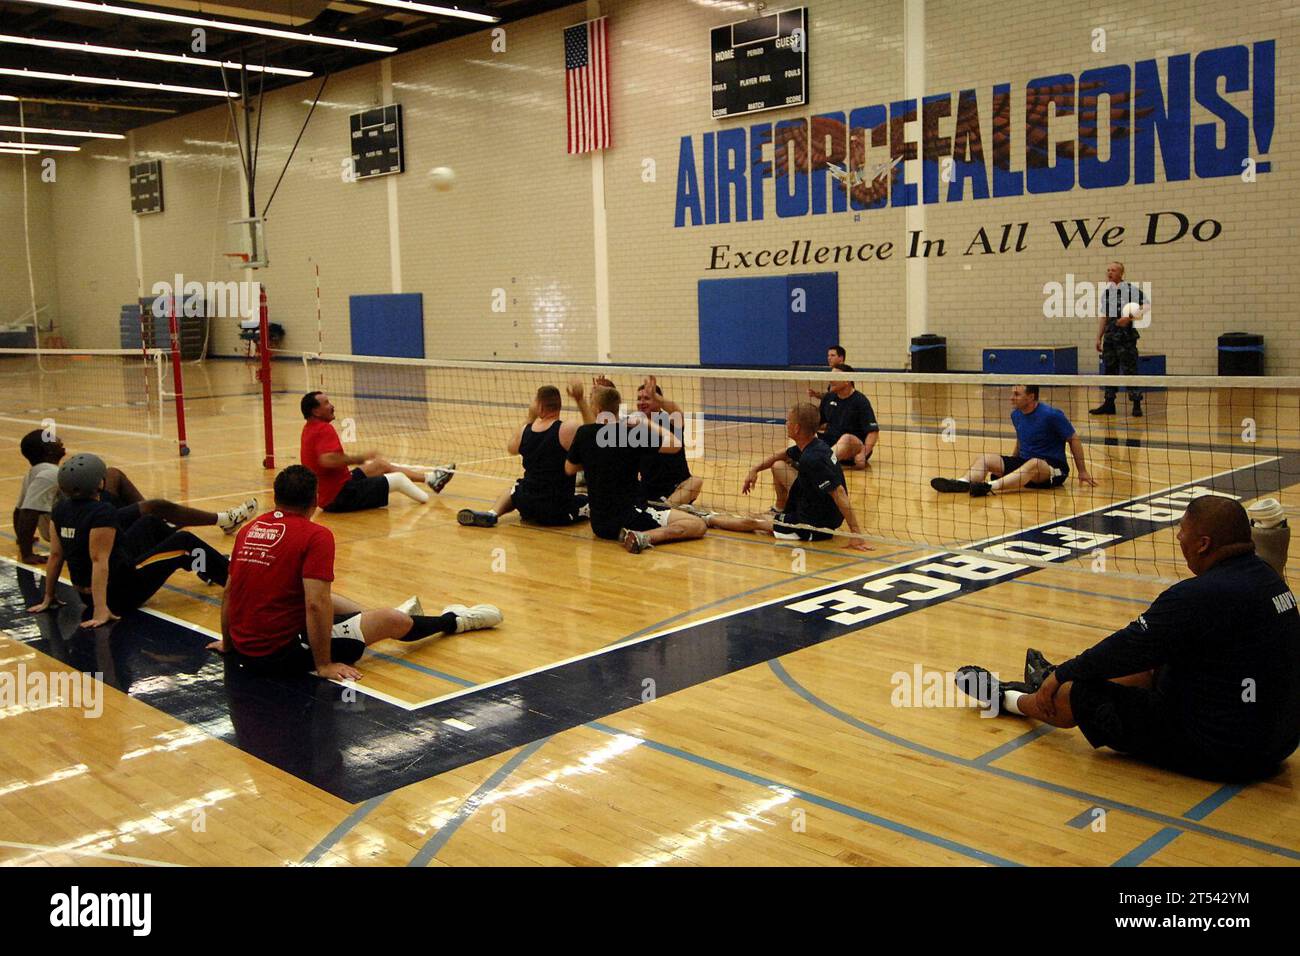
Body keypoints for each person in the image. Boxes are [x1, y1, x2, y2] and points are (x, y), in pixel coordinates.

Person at [955, 496, 1300, 781]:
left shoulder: (1197, 596)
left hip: (1227, 752)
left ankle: (1011, 699)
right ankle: (1048, 680)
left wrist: (1064, 675)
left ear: (1204, 543)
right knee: (1159, 661)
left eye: (1181, 533)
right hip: (1277, 742)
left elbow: (1126, 648)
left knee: (1086, 693)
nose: (1179, 539)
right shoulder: (1270, 581)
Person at [209, 465, 502, 681]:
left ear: (276, 499)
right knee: (392, 619)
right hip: (283, 654)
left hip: (246, 646)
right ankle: (456, 620)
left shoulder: (251, 528)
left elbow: (231, 592)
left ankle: (366, 621)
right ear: (315, 499)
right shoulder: (316, 535)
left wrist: (230, 643)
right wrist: (323, 664)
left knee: (326, 597)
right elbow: (315, 605)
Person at [26, 453, 231, 627]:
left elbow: (55, 555)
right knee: (185, 542)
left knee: (149, 523)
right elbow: (99, 562)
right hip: (118, 594)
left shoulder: (60, 509)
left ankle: (208, 568)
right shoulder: (102, 512)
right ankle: (234, 581)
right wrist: (101, 609)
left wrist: (48, 596)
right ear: (99, 483)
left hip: (89, 592)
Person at [13, 429, 256, 564]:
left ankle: (162, 522)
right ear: (47, 450)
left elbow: (18, 509)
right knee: (153, 506)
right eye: (53, 439)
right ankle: (224, 518)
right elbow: (27, 513)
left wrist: (23, 540)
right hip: (84, 528)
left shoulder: (36, 472)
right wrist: (26, 553)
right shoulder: (49, 475)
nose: (59, 439)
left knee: (113, 475)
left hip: (78, 521)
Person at [704, 402, 871, 551]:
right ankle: (779, 510)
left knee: (753, 522)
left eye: (788, 421)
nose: (786, 423)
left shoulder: (812, 459)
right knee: (778, 469)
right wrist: (755, 469)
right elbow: (782, 455)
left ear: (797, 428)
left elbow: (839, 493)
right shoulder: (813, 444)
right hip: (815, 507)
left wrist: (856, 534)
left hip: (811, 525)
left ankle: (708, 520)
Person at [564, 385, 708, 554]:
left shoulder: (584, 433)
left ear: (597, 409)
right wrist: (646, 424)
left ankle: (640, 530)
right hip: (630, 515)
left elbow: (569, 469)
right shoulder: (633, 434)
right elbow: (675, 443)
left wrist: (594, 460)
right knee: (697, 525)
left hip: (600, 525)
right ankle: (644, 537)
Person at [457, 382, 591, 527]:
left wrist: (530, 417)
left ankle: (492, 513)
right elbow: (594, 433)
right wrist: (580, 400)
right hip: (555, 510)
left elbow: (511, 448)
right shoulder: (567, 428)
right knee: (589, 500)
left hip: (526, 504)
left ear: (539, 407)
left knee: (514, 490)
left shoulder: (524, 431)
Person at [930, 384, 1097, 497]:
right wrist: (1010, 463)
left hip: (1051, 468)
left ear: (1031, 397)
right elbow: (1021, 439)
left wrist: (1082, 471)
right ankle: (963, 483)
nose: (1011, 398)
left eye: (1017, 394)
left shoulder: (1052, 415)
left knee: (1034, 463)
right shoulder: (1016, 414)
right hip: (1024, 462)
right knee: (985, 459)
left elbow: (1073, 439)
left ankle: (989, 487)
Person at [300, 391, 453, 513]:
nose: (332, 406)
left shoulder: (309, 428)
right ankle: (428, 506)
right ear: (316, 411)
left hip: (334, 492)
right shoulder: (323, 429)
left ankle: (431, 479)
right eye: (326, 403)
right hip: (340, 497)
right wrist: (360, 458)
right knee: (399, 480)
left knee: (380, 465)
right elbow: (327, 460)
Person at [1090, 260, 1147, 417]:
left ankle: (1136, 403)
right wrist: (1098, 337)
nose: (1110, 273)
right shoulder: (1107, 293)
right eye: (1108, 270)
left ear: (1121, 273)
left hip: (1126, 338)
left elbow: (1145, 306)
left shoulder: (1131, 290)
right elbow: (1104, 316)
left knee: (1130, 370)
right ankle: (1109, 403)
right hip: (1109, 338)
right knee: (1109, 370)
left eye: (1113, 270)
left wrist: (1129, 317)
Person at [813, 376, 879, 469]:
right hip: (831, 443)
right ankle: (799, 460)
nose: (831, 379)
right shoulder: (828, 397)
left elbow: (873, 432)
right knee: (803, 432)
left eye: (835, 377)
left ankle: (822, 465)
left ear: (846, 381)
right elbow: (817, 424)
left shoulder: (860, 401)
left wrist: (863, 454)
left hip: (854, 448)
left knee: (847, 439)